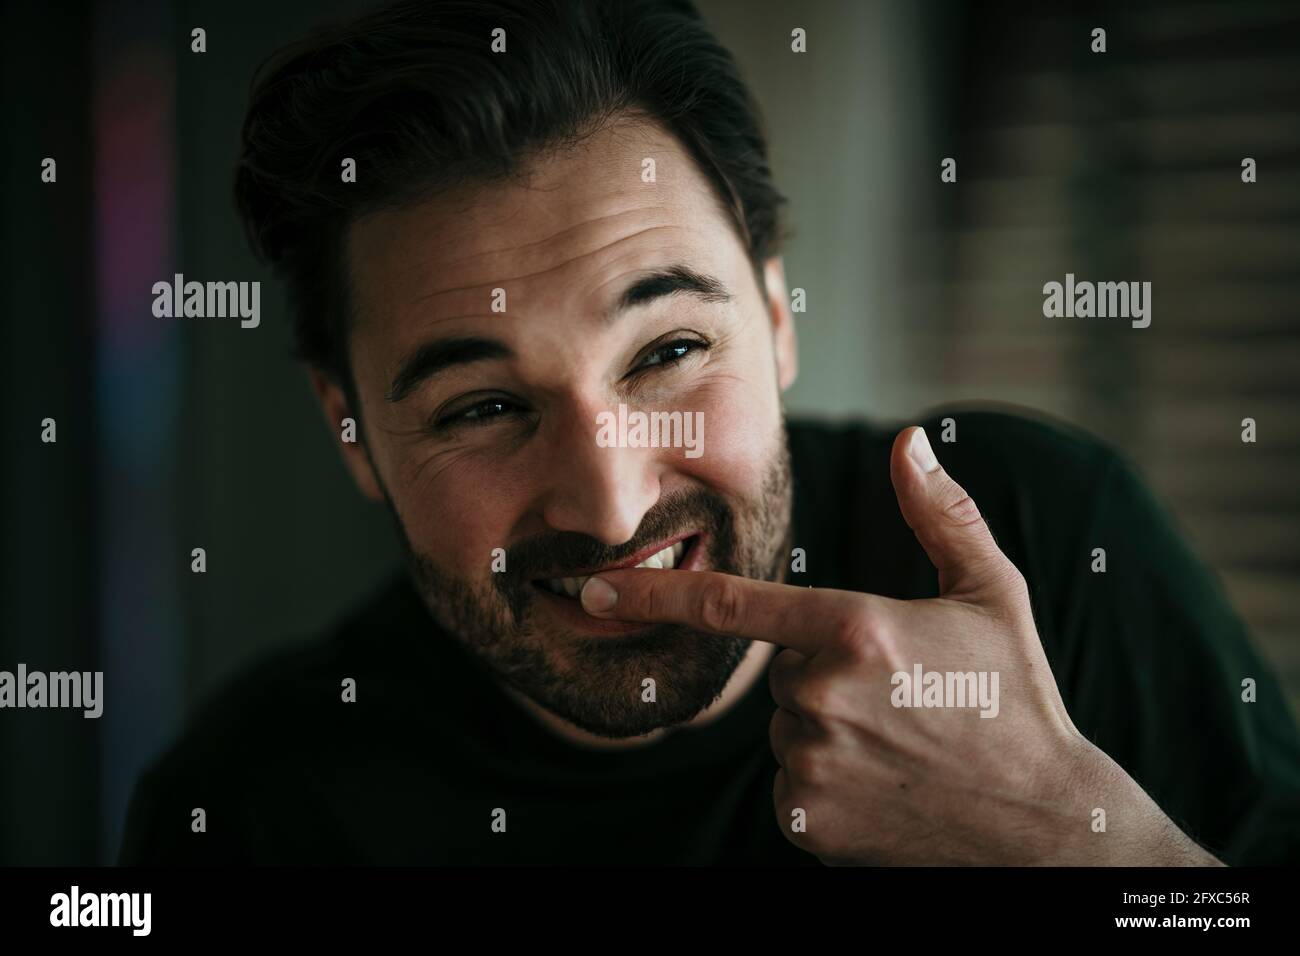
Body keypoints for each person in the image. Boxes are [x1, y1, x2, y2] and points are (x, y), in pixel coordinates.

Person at [120, 0, 1300, 865]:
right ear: (351, 433)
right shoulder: (248, 807)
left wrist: (1074, 837)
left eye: (669, 351)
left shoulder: (1044, 540)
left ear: (778, 319)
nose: (611, 503)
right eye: (482, 408)